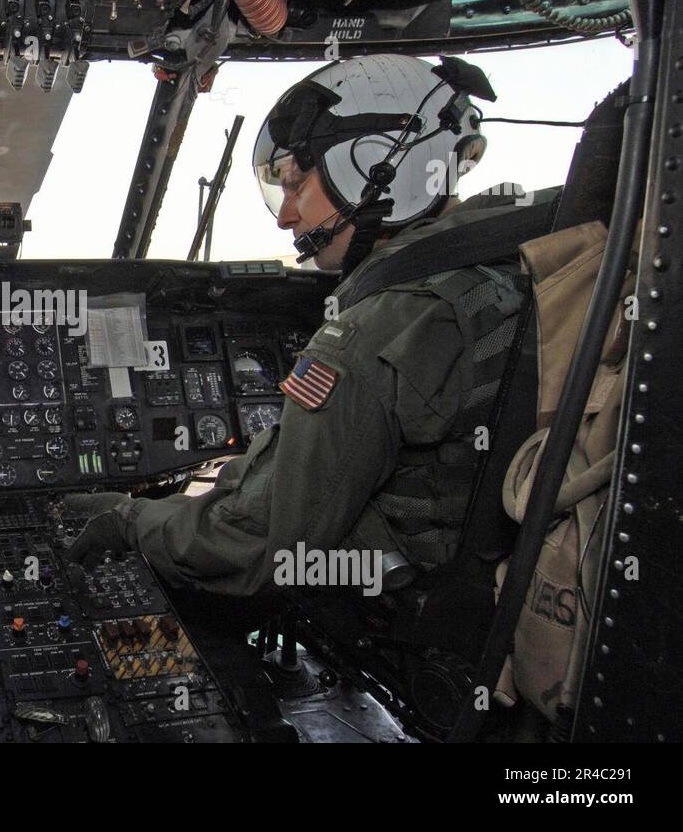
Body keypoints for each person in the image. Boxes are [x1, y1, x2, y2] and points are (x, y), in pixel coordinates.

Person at [65, 53, 534, 597]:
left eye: (294, 184)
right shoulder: (520, 260)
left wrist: (126, 518)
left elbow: (253, 543)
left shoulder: (380, 329)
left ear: (375, 167)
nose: (286, 215)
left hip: (400, 603)